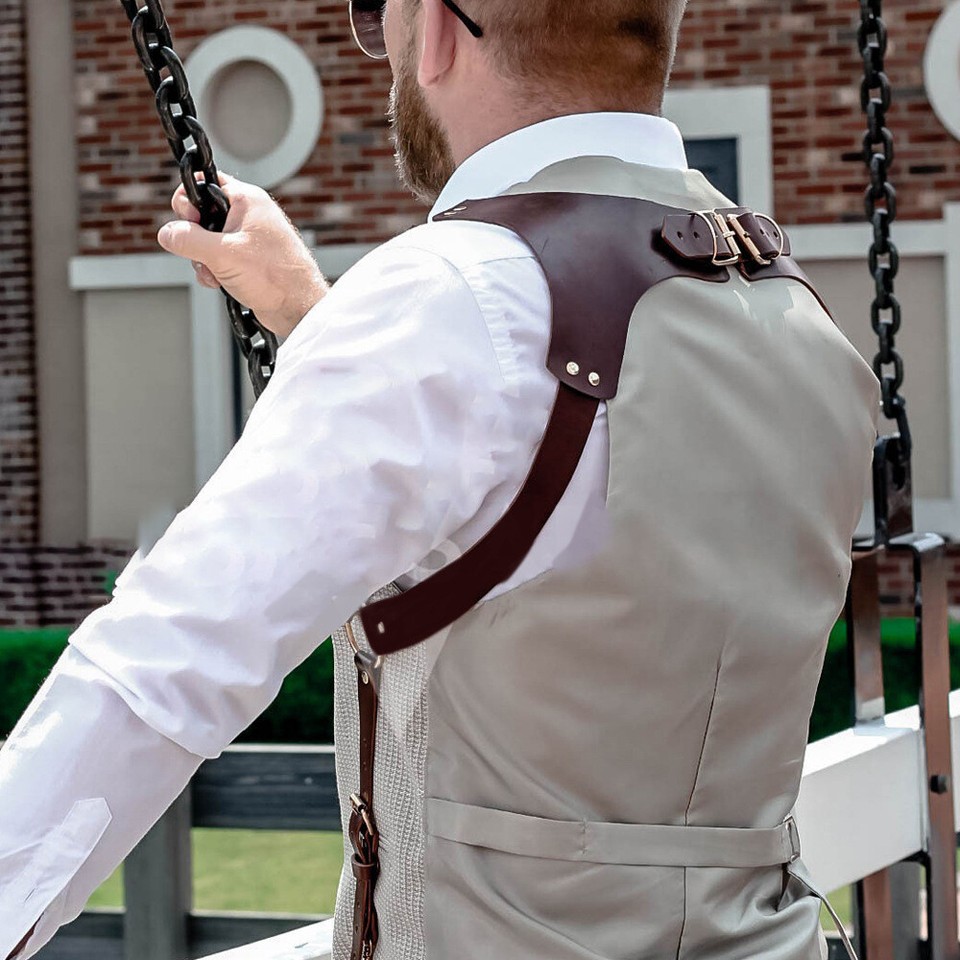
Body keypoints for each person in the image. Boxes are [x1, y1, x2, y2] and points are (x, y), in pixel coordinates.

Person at [1, 1, 879, 958]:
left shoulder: (443, 299)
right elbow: (579, 504)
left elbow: (157, 670)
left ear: (444, 31)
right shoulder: (797, 318)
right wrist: (312, 316)